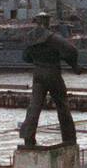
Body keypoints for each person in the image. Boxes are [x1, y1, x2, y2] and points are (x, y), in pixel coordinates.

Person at [19, 12, 82, 146]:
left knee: (34, 107)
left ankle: (28, 138)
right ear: (48, 22)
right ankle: (69, 138)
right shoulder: (53, 38)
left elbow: (25, 57)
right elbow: (71, 50)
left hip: (38, 75)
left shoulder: (30, 37)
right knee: (62, 106)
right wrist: (74, 65)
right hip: (53, 73)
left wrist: (37, 60)